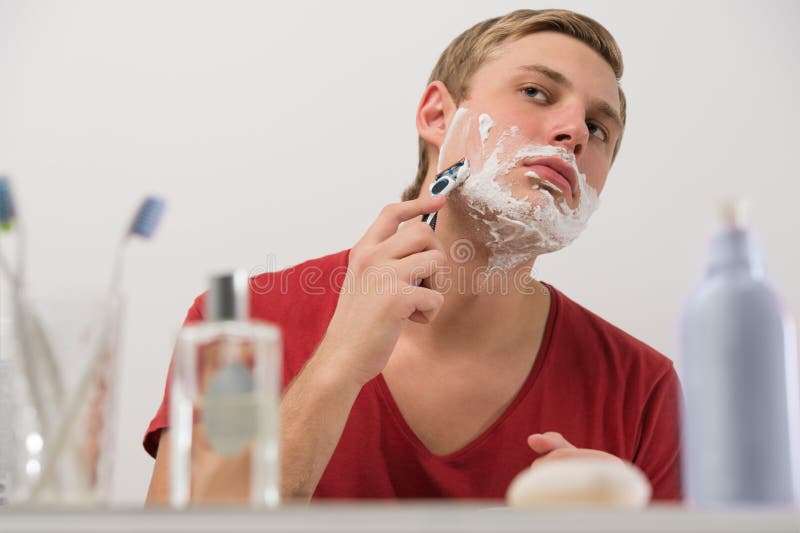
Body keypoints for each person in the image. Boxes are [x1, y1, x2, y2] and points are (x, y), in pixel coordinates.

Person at [144, 8, 681, 503]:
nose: (574, 133)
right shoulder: (238, 324)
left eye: (600, 128)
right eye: (537, 92)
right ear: (436, 116)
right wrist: (338, 366)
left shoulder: (643, 388)